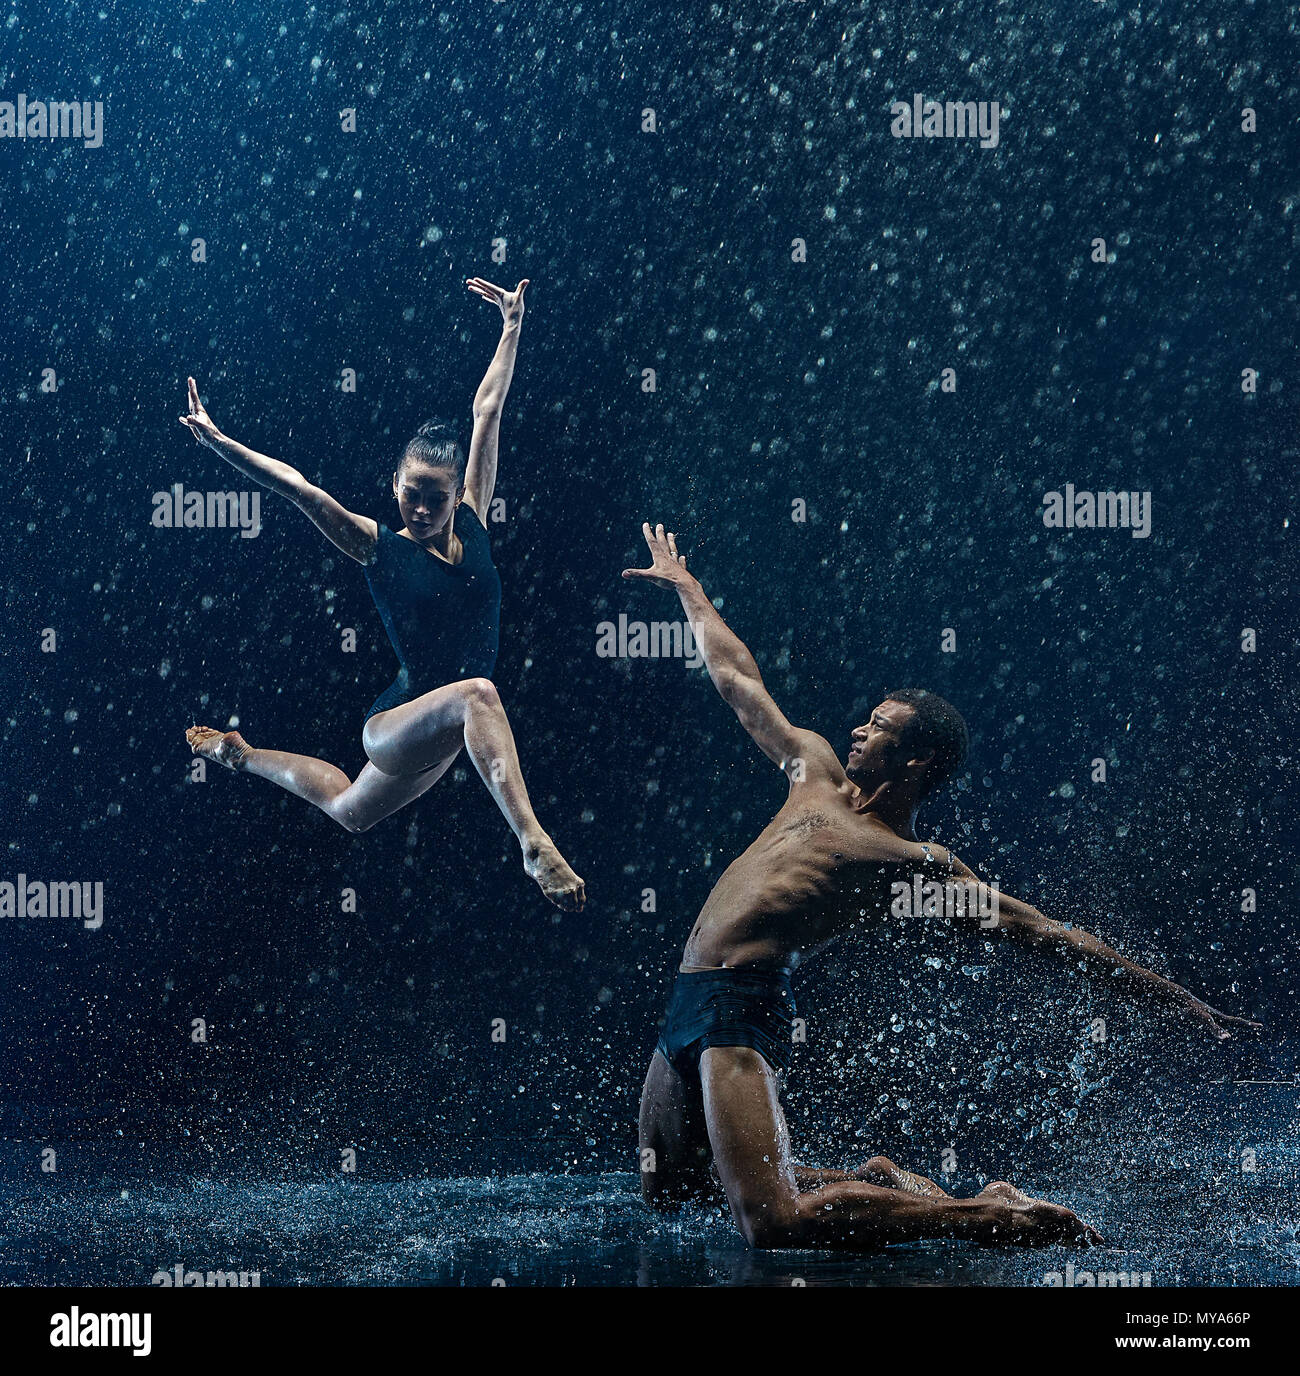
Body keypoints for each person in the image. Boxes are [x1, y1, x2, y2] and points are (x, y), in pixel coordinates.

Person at [625, 523, 1257, 1249]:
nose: (858, 731)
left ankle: (991, 1216)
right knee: (674, 1192)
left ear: (917, 762)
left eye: (880, 727)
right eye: (865, 719)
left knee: (772, 1222)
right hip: (689, 993)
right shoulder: (814, 773)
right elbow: (737, 679)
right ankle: (886, 1179)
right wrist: (686, 586)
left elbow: (1048, 934)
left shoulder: (914, 862)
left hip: (740, 1003)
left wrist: (1172, 996)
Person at [178, 278, 584, 910]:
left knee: (349, 810)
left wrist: (512, 326)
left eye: (436, 497)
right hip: (399, 723)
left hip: (450, 730)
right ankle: (532, 843)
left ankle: (242, 755)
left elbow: (487, 411)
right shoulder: (377, 545)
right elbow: (299, 488)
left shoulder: (474, 517)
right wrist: (222, 443)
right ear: (395, 482)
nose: (421, 508)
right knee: (482, 695)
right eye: (410, 491)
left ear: (458, 495)